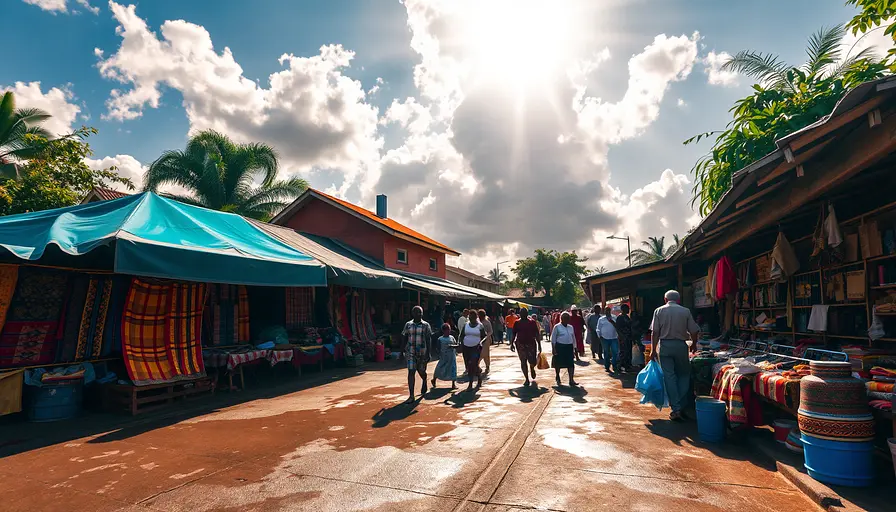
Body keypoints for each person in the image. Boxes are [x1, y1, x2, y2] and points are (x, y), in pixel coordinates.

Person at [650, 290, 700, 422]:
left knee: (669, 377)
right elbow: (694, 330)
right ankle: (681, 404)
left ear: (665, 300)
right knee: (684, 374)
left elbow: (655, 332)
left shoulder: (659, 311)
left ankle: (676, 408)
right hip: (681, 346)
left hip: (665, 346)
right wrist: (694, 344)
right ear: (678, 300)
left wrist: (653, 350)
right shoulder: (685, 311)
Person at [402, 306, 433, 403]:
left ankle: (424, 380)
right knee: (411, 372)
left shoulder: (426, 325)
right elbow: (404, 337)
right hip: (410, 352)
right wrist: (401, 351)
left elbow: (428, 339)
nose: (418, 314)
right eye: (416, 312)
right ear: (413, 314)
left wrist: (428, 353)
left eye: (420, 312)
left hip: (422, 353)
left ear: (422, 314)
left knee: (421, 371)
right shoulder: (408, 325)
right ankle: (411, 395)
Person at [510, 307, 542, 386]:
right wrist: (511, 344)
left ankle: (532, 368)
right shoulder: (517, 323)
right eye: (522, 313)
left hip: (531, 344)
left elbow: (537, 334)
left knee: (533, 361)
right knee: (523, 361)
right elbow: (514, 334)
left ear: (527, 314)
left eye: (525, 313)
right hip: (520, 344)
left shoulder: (532, 322)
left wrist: (539, 345)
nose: (523, 315)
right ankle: (526, 378)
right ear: (520, 314)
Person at [550, 311, 579, 387]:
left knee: (571, 364)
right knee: (558, 364)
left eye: (568, 318)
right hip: (560, 347)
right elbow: (553, 339)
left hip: (569, 347)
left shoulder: (571, 327)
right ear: (561, 319)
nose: (567, 320)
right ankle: (557, 376)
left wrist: (575, 348)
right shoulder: (557, 327)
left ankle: (571, 380)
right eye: (565, 318)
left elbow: (573, 338)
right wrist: (553, 349)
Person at [459, 310, 486, 391]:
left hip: (476, 348)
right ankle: (479, 376)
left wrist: (481, 343)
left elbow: (484, 336)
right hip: (466, 348)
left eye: (472, 317)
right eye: (469, 317)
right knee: (469, 365)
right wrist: (460, 344)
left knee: (472, 364)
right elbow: (461, 335)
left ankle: (470, 383)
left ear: (475, 317)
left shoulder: (480, 326)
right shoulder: (466, 325)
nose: (471, 319)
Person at [431, 324, 458, 390]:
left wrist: (453, 347)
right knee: (440, 367)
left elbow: (456, 345)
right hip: (444, 356)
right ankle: (434, 379)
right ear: (443, 331)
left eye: (449, 329)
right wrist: (439, 353)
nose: (449, 331)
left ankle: (453, 384)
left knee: (453, 369)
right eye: (447, 330)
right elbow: (437, 348)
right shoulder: (440, 339)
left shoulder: (452, 337)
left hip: (452, 356)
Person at [596, 306, 619, 375]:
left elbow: (617, 326)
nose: (608, 312)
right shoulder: (601, 319)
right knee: (606, 353)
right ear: (604, 311)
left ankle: (614, 365)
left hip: (614, 337)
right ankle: (607, 366)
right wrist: (599, 336)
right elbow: (598, 328)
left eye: (609, 310)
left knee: (615, 352)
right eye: (606, 310)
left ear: (611, 310)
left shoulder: (614, 317)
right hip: (604, 338)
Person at [615, 304, 634, 372]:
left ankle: (627, 366)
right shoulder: (620, 317)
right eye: (627, 308)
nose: (628, 310)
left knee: (628, 352)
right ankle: (620, 366)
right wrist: (621, 337)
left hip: (628, 337)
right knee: (623, 352)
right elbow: (617, 328)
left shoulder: (626, 317)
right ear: (623, 309)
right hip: (623, 337)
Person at [478, 309, 494, 374]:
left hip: (486, 340)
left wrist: (486, 335)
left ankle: (487, 366)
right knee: (478, 354)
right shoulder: (477, 322)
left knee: (485, 355)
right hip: (478, 340)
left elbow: (491, 331)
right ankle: (477, 366)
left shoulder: (487, 322)